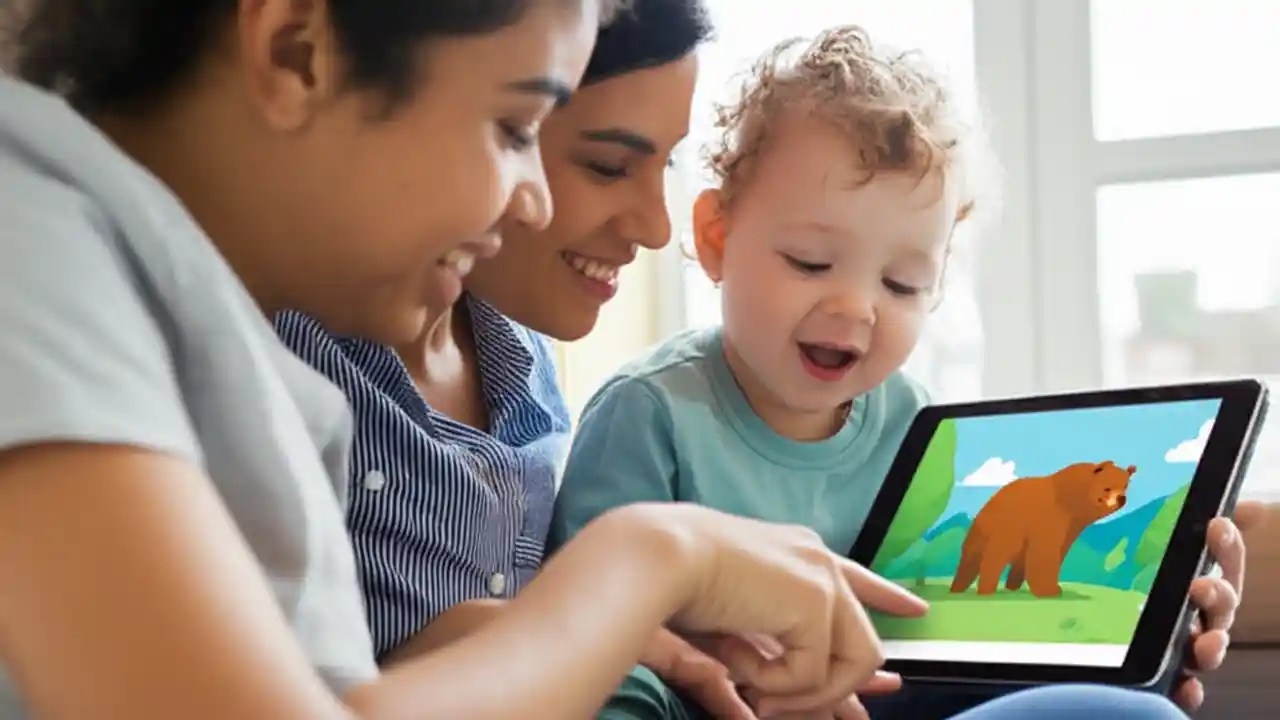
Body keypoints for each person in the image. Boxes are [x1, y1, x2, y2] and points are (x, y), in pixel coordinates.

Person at [0, 1, 933, 717]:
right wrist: (657, 555)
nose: (528, 201)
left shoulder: (217, 332)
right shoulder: (29, 242)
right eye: (515, 128)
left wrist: (468, 644)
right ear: (295, 51)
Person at [547, 25, 1256, 719]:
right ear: (716, 238)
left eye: (904, 284)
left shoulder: (915, 420)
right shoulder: (649, 416)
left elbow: (944, 643)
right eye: (810, 262)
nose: (857, 308)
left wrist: (1143, 646)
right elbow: (596, 657)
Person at [271, 0, 756, 714]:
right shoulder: (274, 360)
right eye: (607, 165)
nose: (657, 229)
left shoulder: (524, 361)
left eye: (667, 162)